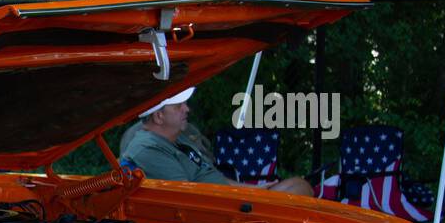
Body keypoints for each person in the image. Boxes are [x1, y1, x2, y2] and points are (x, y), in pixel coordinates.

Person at [120, 88, 314, 196]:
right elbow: (189, 197)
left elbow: (210, 176)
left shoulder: (177, 140)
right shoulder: (147, 149)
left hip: (228, 200)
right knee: (298, 192)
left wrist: (252, 189)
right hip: (220, 213)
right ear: (159, 116)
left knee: (299, 185)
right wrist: (245, 198)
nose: (186, 110)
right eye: (179, 106)